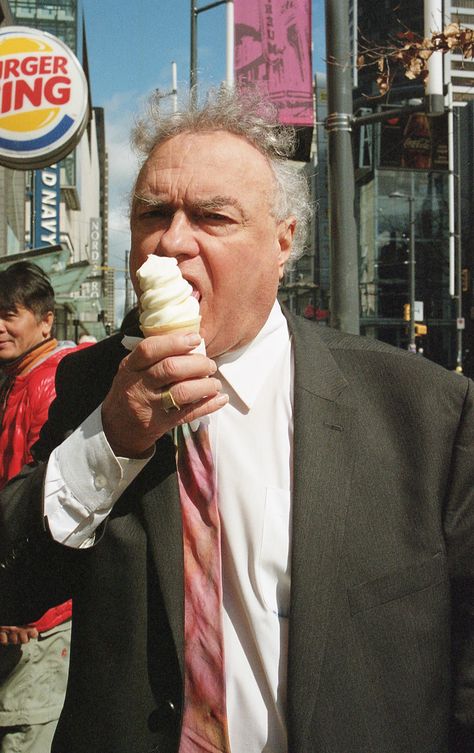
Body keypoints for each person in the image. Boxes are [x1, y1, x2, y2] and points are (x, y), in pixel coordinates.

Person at [0, 88, 473, 753]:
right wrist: (109, 440)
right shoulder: (87, 384)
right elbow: (13, 588)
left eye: (213, 217)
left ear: (284, 243)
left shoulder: (422, 412)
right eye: (153, 213)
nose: (172, 241)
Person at [0, 262, 86, 753]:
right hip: (23, 609)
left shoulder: (52, 385)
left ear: (46, 321)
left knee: (24, 734)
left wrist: (21, 596)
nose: (0, 326)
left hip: (37, 620)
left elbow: (57, 509)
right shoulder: (16, 378)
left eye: (10, 314)